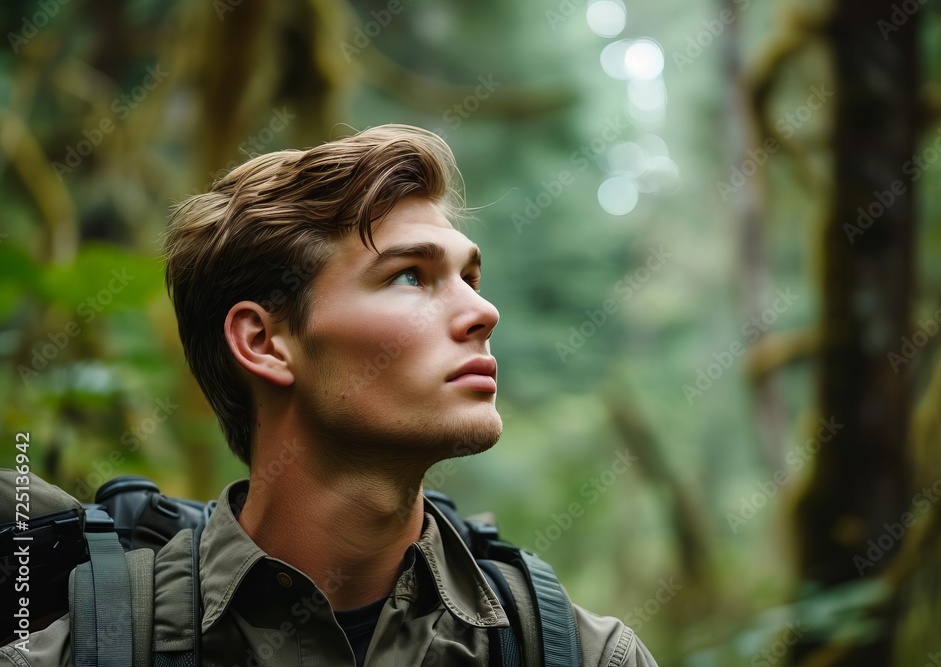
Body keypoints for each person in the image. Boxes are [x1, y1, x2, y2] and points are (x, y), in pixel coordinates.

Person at [2, 124, 656, 666]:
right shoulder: (82, 652)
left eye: (470, 276)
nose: (483, 311)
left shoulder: (575, 652)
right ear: (264, 341)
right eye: (410, 275)